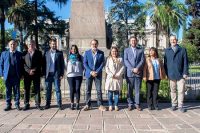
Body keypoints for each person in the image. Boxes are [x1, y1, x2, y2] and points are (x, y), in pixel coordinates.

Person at [164, 35, 189, 113]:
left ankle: (180, 105)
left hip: (181, 75)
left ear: (177, 40)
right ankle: (174, 105)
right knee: (173, 90)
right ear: (170, 41)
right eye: (171, 40)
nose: (173, 41)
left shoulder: (182, 50)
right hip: (171, 74)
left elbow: (185, 62)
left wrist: (185, 72)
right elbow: (165, 64)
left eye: (174, 39)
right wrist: (166, 73)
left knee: (181, 91)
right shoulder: (167, 50)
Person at [82, 39, 106, 111]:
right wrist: (91, 71)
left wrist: (97, 72)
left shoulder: (101, 53)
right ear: (90, 45)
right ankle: (88, 105)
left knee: (99, 90)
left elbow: (102, 63)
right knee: (88, 90)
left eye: (95, 44)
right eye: (93, 44)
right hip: (89, 74)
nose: (94, 45)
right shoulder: (87, 53)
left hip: (97, 74)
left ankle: (100, 105)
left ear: (97, 45)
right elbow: (85, 63)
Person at [0, 40, 23, 111]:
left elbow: (22, 65)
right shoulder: (4, 54)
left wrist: (22, 75)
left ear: (16, 45)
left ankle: (17, 104)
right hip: (7, 76)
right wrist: (2, 74)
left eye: (14, 44)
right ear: (8, 45)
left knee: (17, 91)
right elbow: (1, 65)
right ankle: (8, 105)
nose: (12, 46)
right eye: (11, 44)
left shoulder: (19, 54)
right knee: (8, 91)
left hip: (16, 76)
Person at [124, 36, 145, 111]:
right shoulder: (126, 50)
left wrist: (137, 68)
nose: (133, 42)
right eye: (132, 40)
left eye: (134, 40)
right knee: (129, 90)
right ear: (130, 42)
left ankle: (137, 104)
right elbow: (125, 60)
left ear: (136, 41)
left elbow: (142, 60)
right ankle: (130, 104)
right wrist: (132, 69)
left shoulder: (140, 50)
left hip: (138, 72)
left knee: (137, 90)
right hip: (130, 73)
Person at [42, 38, 64, 110]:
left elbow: (62, 64)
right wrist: (44, 74)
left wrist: (62, 74)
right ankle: (48, 104)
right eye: (52, 44)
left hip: (56, 74)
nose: (54, 45)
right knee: (48, 89)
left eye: (55, 44)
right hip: (48, 74)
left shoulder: (59, 53)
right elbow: (44, 64)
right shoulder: (46, 53)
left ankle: (59, 104)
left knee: (57, 89)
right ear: (50, 44)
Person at [23, 40, 43, 111]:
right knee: (26, 89)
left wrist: (34, 70)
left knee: (37, 89)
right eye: (29, 44)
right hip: (27, 74)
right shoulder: (24, 53)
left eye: (32, 44)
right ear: (27, 45)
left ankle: (38, 104)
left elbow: (40, 63)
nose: (31, 45)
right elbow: (23, 64)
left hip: (36, 73)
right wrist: (29, 71)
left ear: (34, 45)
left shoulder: (39, 53)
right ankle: (26, 104)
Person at [105, 46, 125, 111]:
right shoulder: (108, 59)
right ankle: (110, 105)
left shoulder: (120, 59)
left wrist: (118, 74)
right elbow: (106, 68)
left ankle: (116, 105)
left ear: (117, 52)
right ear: (111, 52)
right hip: (110, 78)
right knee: (110, 93)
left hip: (117, 78)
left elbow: (123, 67)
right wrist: (111, 74)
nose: (114, 52)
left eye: (115, 51)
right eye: (113, 51)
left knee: (116, 93)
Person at [65, 45, 83, 110]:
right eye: (72, 49)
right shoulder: (68, 57)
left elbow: (83, 65)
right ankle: (72, 104)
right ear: (70, 50)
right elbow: (65, 66)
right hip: (70, 76)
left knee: (77, 89)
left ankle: (77, 103)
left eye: (75, 49)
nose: (73, 50)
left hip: (78, 75)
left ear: (76, 50)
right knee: (72, 89)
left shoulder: (80, 57)